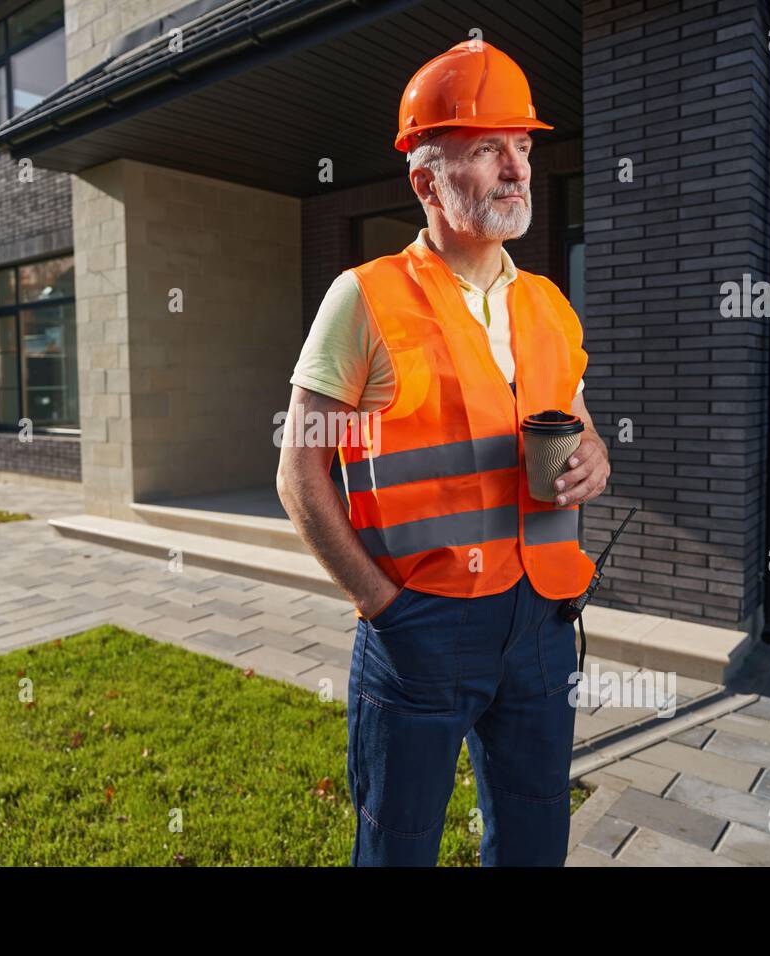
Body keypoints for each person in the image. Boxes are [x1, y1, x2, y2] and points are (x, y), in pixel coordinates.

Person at [276, 39, 611, 866]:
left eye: (524, 147)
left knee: (536, 840)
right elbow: (298, 474)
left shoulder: (548, 304)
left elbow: (580, 423)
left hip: (541, 622)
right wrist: (382, 605)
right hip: (419, 627)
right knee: (398, 847)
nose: (517, 168)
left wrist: (595, 455)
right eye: (488, 148)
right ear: (426, 181)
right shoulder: (364, 297)